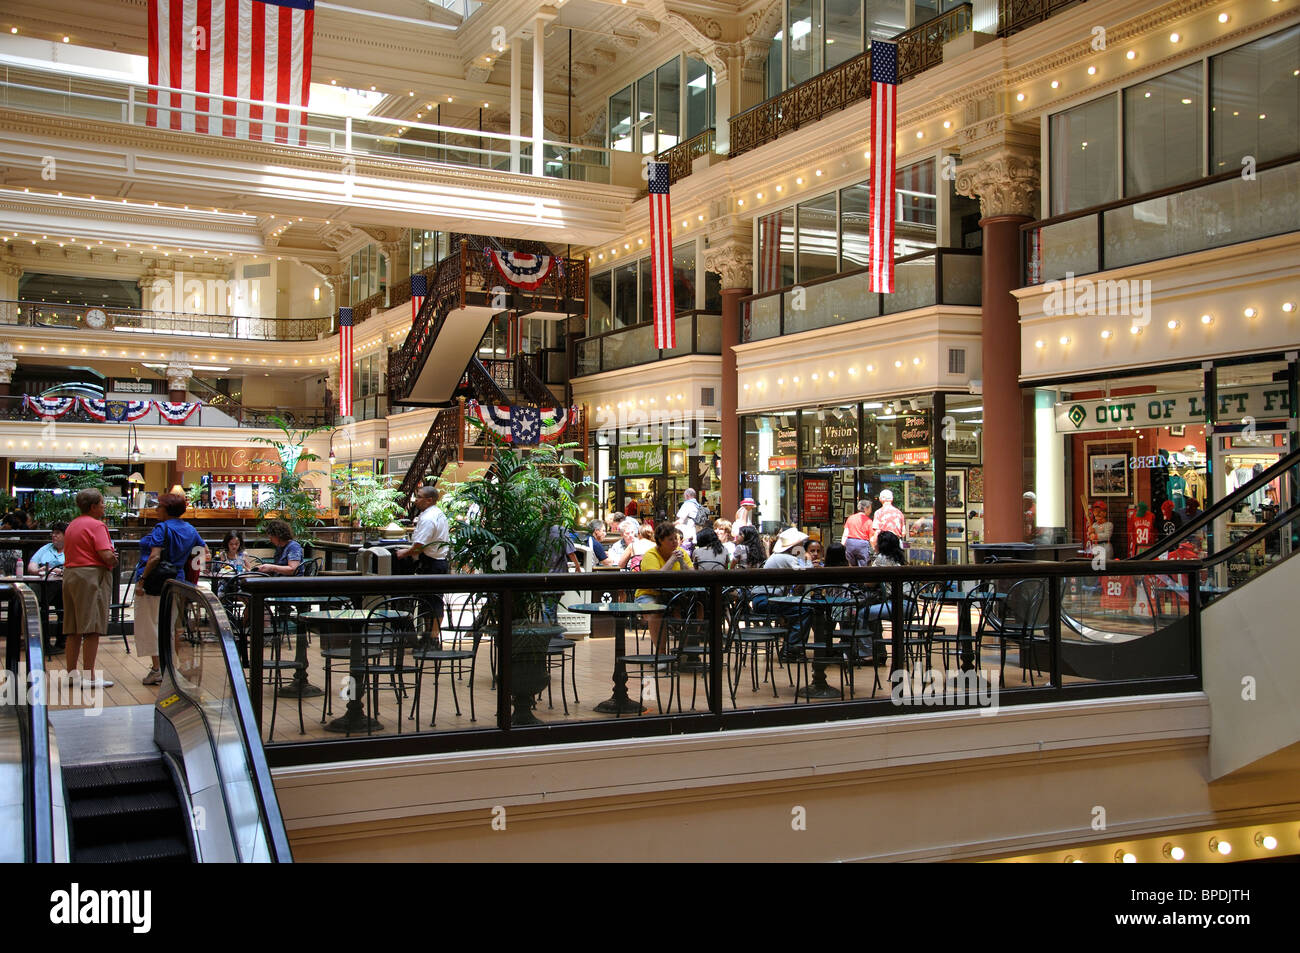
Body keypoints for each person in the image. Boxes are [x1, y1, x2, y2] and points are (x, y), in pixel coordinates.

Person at [134, 492, 207, 685]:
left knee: (150, 625)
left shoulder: (162, 528)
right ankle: (171, 668)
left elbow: (155, 557)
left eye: (159, 506)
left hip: (154, 583)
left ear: (167, 510)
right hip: (177, 582)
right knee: (170, 625)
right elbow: (203, 552)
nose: (157, 509)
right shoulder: (190, 529)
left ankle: (158, 668)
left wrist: (142, 580)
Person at [62, 489, 118, 688]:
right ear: (93, 506)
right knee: (92, 627)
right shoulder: (97, 525)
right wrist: (114, 558)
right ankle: (90, 677)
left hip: (70, 575)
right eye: (102, 503)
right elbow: (105, 554)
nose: (104, 506)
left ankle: (71, 674)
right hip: (91, 577)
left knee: (73, 628)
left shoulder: (73, 524)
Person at [397, 485, 451, 632]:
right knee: (428, 602)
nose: (415, 500)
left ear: (429, 500)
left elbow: (420, 546)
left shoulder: (428, 518)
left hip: (432, 564)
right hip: (436, 562)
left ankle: (432, 638)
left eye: (419, 497)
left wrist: (404, 553)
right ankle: (429, 637)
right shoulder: (437, 513)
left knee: (433, 602)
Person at [635, 523, 694, 655]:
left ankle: (685, 652)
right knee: (656, 612)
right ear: (660, 541)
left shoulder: (682, 553)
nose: (674, 542)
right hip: (650, 594)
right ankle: (661, 654)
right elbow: (655, 579)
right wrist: (672, 560)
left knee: (695, 608)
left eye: (676, 538)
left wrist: (682, 562)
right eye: (670, 539)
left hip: (674, 595)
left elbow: (692, 573)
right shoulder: (651, 555)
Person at [757, 528, 812, 659]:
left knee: (799, 610)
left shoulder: (779, 557)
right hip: (766, 601)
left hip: (763, 600)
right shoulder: (787, 558)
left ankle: (792, 646)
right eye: (800, 544)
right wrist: (807, 558)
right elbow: (808, 573)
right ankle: (791, 648)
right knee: (805, 610)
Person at [842, 500, 874, 566]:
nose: (871, 511)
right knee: (863, 567)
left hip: (850, 543)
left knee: (850, 565)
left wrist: (842, 546)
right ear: (866, 509)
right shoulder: (869, 521)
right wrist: (874, 549)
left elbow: (845, 534)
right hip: (862, 544)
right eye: (870, 508)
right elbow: (871, 538)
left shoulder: (850, 518)